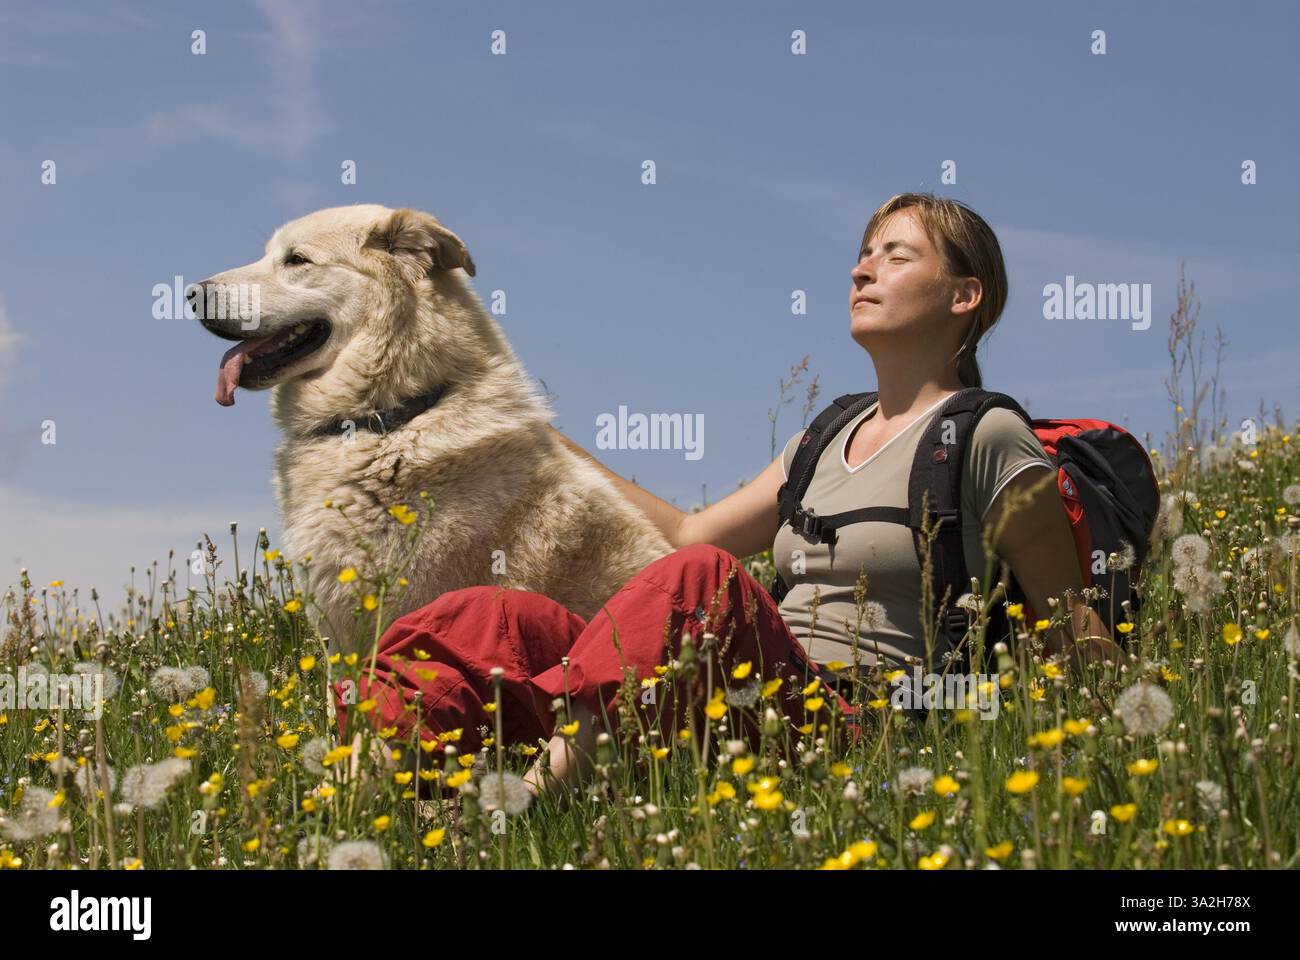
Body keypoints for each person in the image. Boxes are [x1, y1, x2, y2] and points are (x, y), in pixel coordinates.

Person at [332, 192, 1122, 798]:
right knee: (488, 615)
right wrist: (541, 441)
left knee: (707, 581)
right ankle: (378, 800)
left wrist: (1134, 733)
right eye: (862, 253)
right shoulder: (820, 438)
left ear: (964, 297)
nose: (861, 269)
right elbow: (687, 535)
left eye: (896, 256)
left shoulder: (983, 438)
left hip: (855, 730)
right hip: (744, 695)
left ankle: (529, 809)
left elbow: (1069, 628)